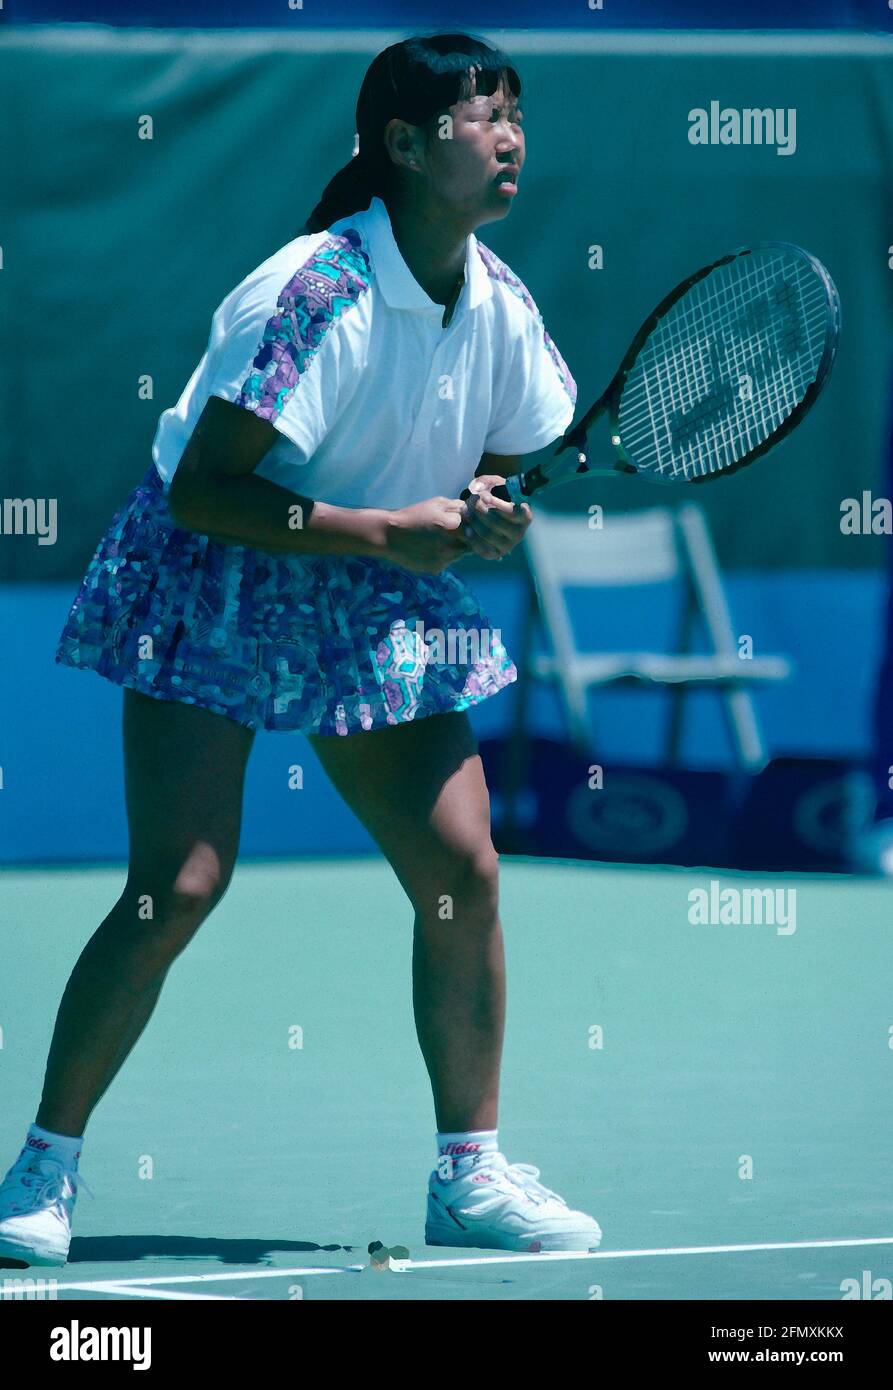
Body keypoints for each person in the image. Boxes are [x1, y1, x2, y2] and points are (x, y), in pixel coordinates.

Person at [0, 32, 601, 1265]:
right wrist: (395, 526)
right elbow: (204, 492)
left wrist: (479, 500)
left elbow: (508, 439)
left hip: (369, 588)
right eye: (479, 117)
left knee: (464, 873)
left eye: (516, 115)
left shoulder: (497, 301)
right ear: (399, 145)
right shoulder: (310, 291)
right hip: (217, 569)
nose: (507, 137)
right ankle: (43, 1167)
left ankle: (468, 1176)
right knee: (181, 883)